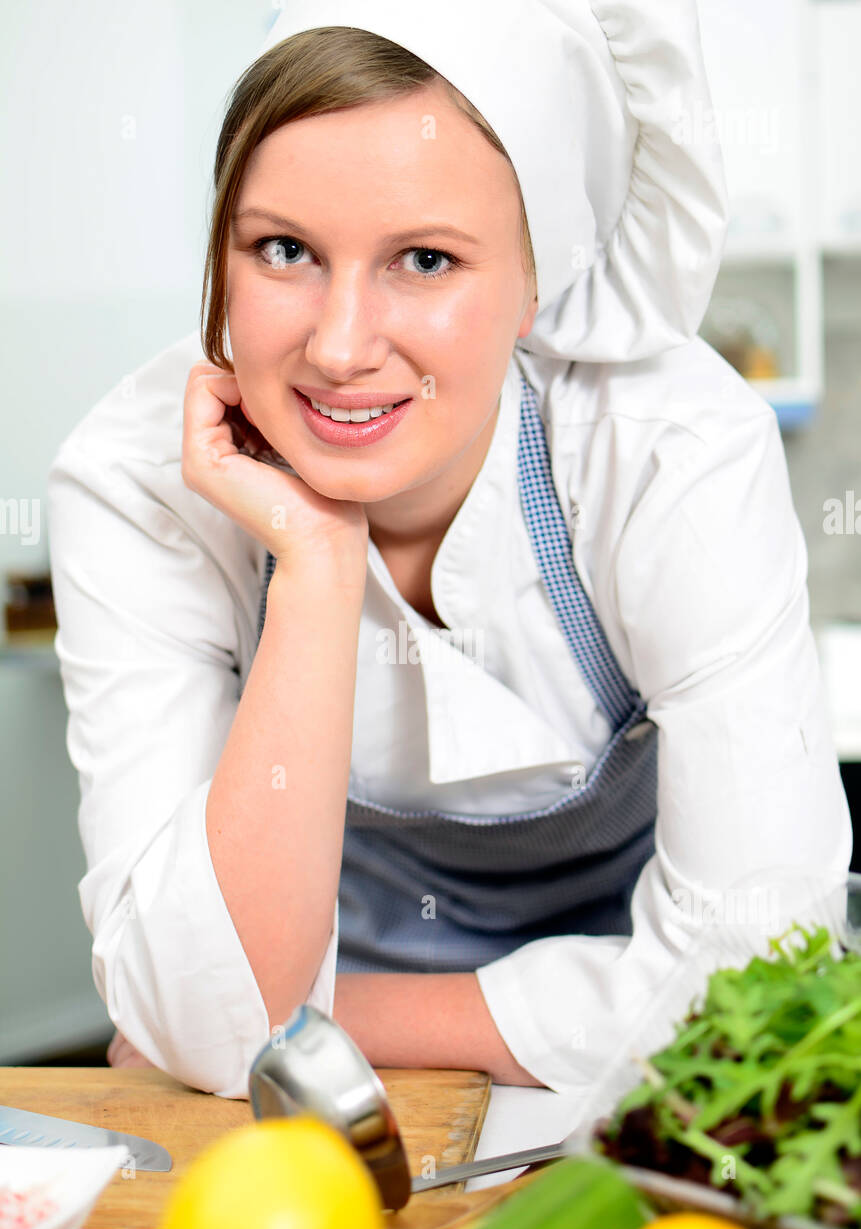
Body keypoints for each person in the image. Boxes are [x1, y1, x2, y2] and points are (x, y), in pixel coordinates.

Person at [47, 1, 852, 1101]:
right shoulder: (140, 479)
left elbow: (758, 972)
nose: (337, 348)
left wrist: (330, 1017)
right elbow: (198, 1013)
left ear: (537, 281)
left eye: (424, 259)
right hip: (326, 1121)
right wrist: (320, 566)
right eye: (283, 249)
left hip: (658, 1122)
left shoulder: (670, 453)